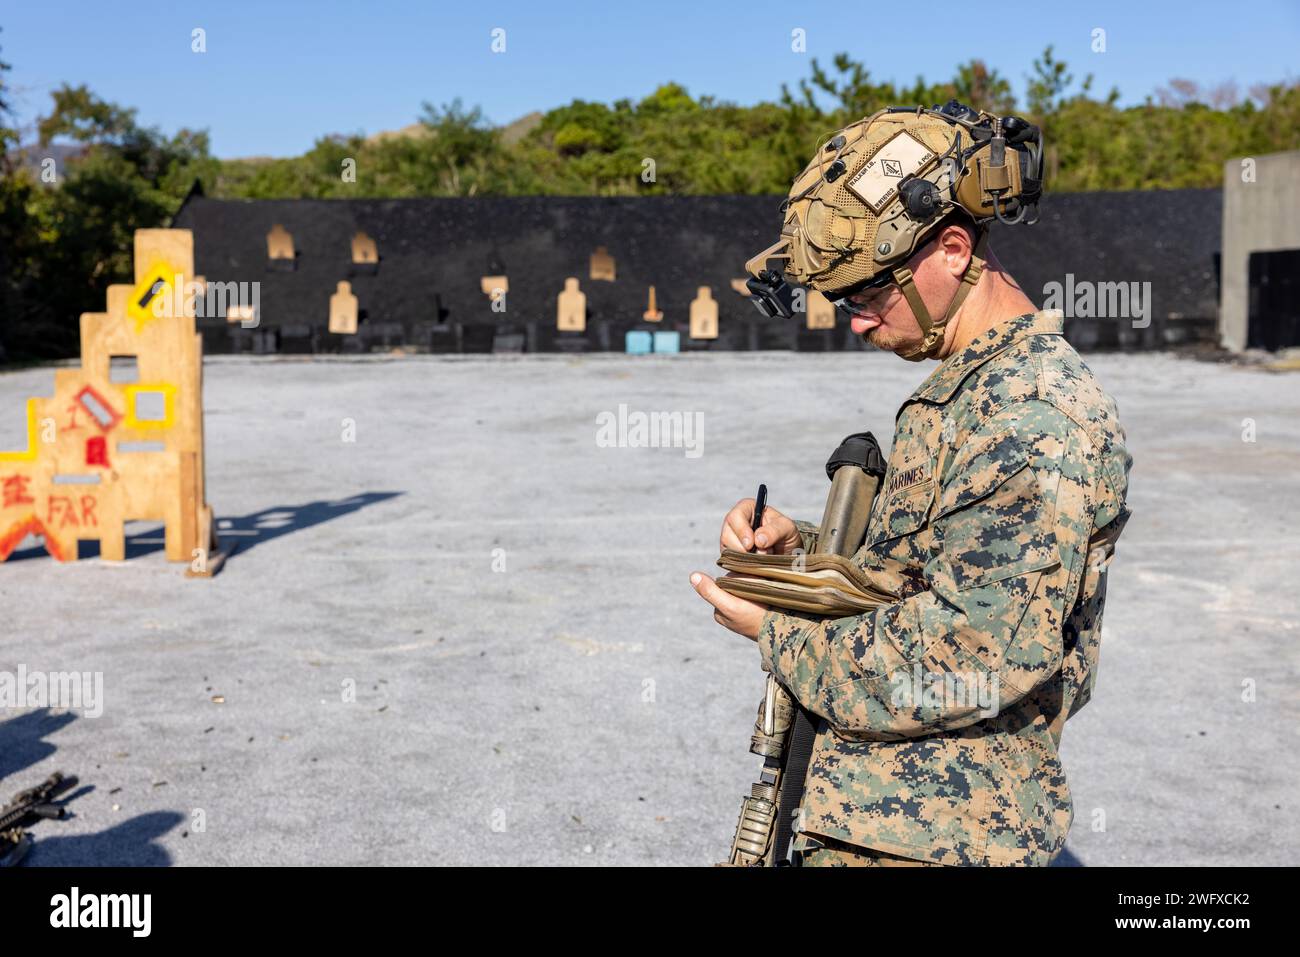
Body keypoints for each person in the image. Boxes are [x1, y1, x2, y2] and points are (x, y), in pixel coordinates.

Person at [691, 104, 1132, 866]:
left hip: (941, 839)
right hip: (889, 818)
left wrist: (778, 633)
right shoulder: (974, 387)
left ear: (953, 249)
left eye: (867, 294)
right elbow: (929, 572)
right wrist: (801, 552)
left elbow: (976, 653)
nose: (856, 322)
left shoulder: (1031, 415)